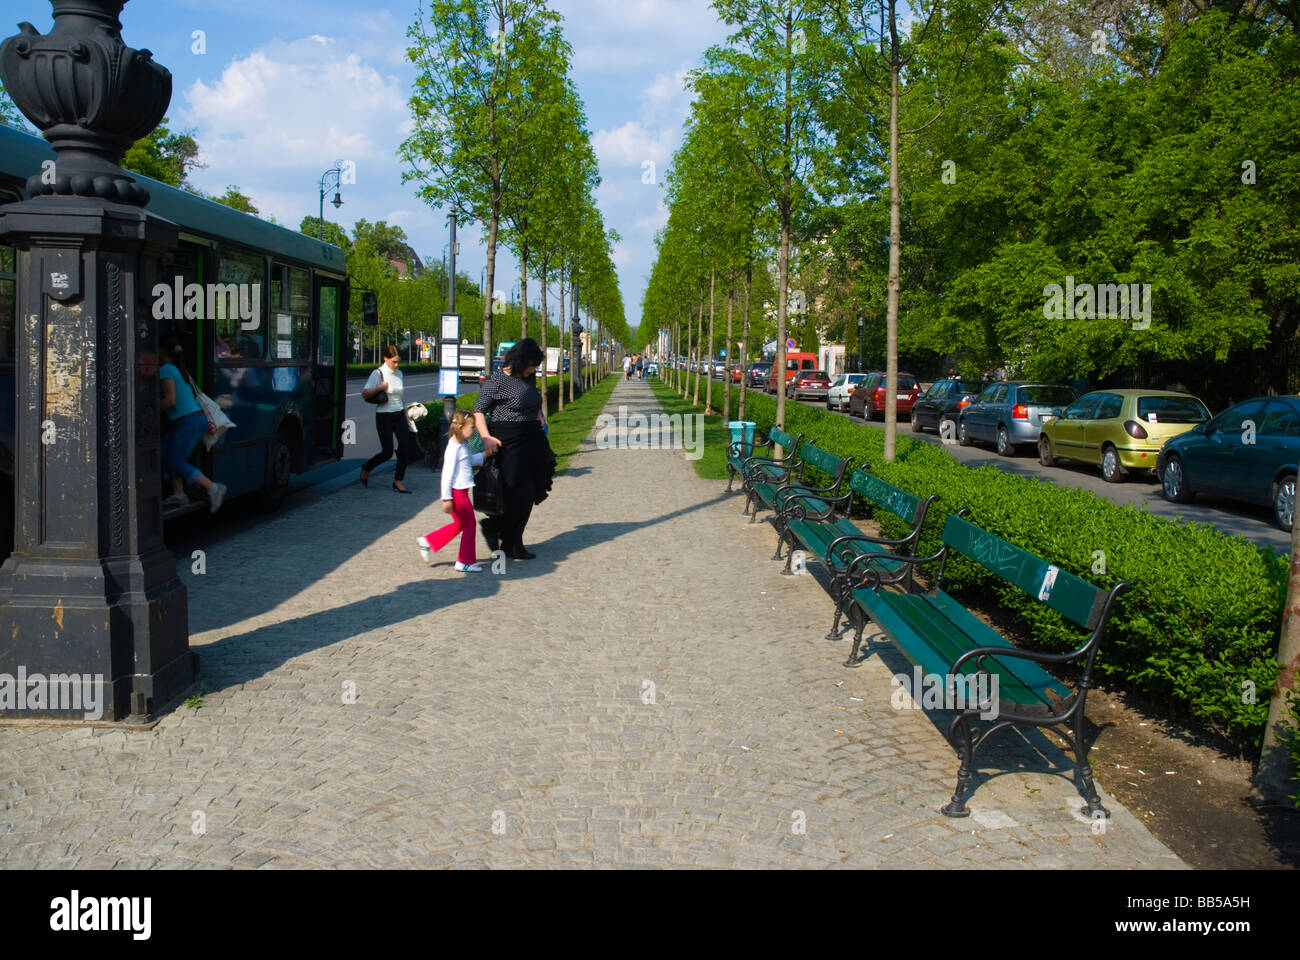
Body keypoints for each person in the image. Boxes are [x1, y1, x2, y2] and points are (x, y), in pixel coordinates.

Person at [473, 338, 556, 560]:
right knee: (512, 493)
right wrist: (486, 437)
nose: (534, 369)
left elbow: (534, 401)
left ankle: (513, 542)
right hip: (507, 440)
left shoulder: (529, 377)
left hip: (532, 438)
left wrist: (539, 415)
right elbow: (479, 410)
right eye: (532, 364)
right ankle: (494, 528)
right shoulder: (497, 380)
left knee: (530, 491)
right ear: (520, 361)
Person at [159, 336, 227, 513]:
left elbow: (171, 400)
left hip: (188, 421)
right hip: (189, 419)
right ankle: (179, 494)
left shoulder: (166, 369)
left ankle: (214, 488)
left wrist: (152, 408)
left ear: (161, 351)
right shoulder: (179, 369)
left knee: (176, 462)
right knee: (165, 454)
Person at [418, 410, 484, 572]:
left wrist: (484, 455)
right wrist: (446, 499)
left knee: (460, 524)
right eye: (472, 427)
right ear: (461, 427)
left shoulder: (461, 445)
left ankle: (429, 541)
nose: (474, 430)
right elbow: (446, 476)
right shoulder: (453, 448)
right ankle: (464, 561)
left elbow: (469, 461)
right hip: (458, 493)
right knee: (469, 525)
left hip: (460, 492)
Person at [360, 345, 418, 493]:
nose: (396, 365)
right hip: (384, 415)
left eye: (398, 362)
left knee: (405, 448)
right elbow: (365, 393)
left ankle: (398, 480)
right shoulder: (378, 373)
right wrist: (380, 388)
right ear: (385, 358)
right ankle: (367, 467)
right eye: (394, 362)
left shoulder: (400, 374)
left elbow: (400, 395)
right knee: (387, 452)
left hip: (399, 414)